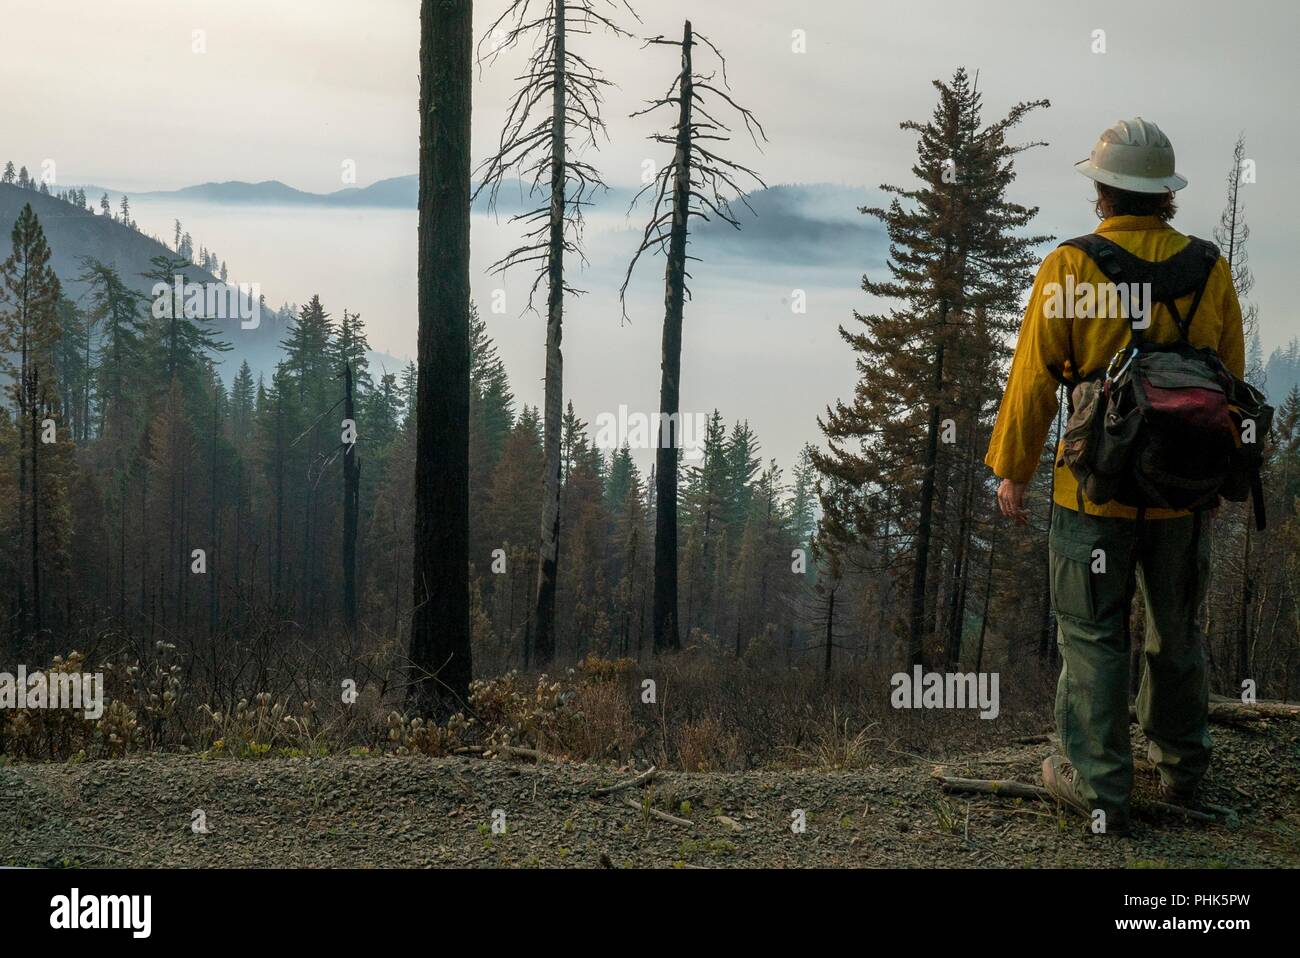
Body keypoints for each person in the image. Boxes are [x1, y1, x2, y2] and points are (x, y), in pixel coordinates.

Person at [985, 118, 1245, 836]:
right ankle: (1182, 771)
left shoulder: (1070, 266)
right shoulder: (1210, 268)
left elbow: (1035, 377)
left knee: (1092, 634)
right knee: (1177, 632)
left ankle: (1096, 786)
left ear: (1103, 190)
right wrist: (1219, 482)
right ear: (1164, 195)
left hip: (1090, 491)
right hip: (1181, 495)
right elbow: (1231, 382)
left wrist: (1013, 469)